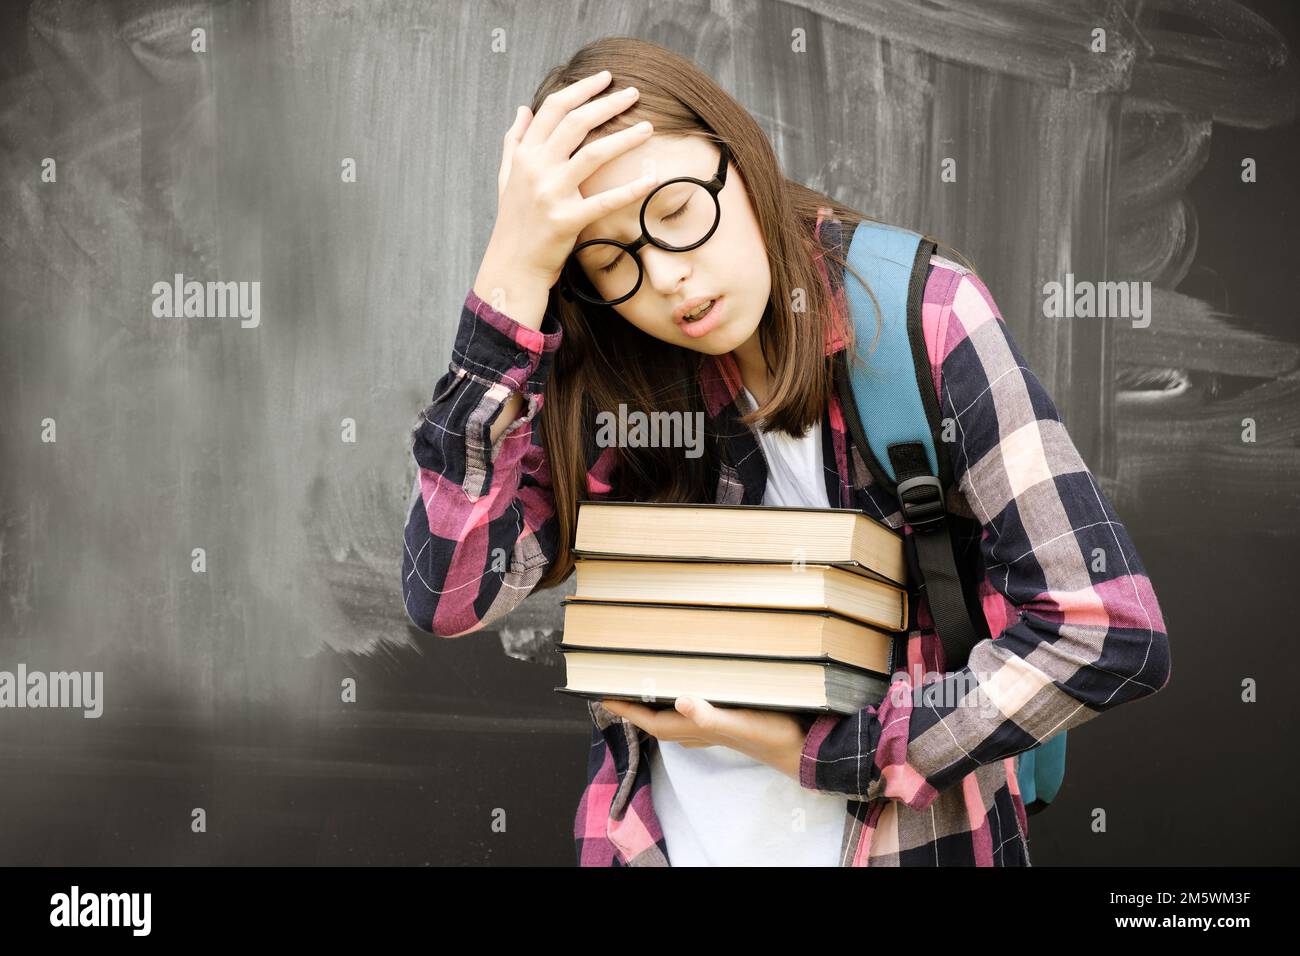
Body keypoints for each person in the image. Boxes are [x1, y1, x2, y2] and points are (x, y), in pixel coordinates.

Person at [401, 36, 1171, 866]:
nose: (666, 278)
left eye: (677, 210)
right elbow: (447, 596)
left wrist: (825, 750)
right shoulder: (603, 369)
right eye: (609, 259)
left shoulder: (926, 319)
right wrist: (508, 279)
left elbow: (1107, 633)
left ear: (742, 156)